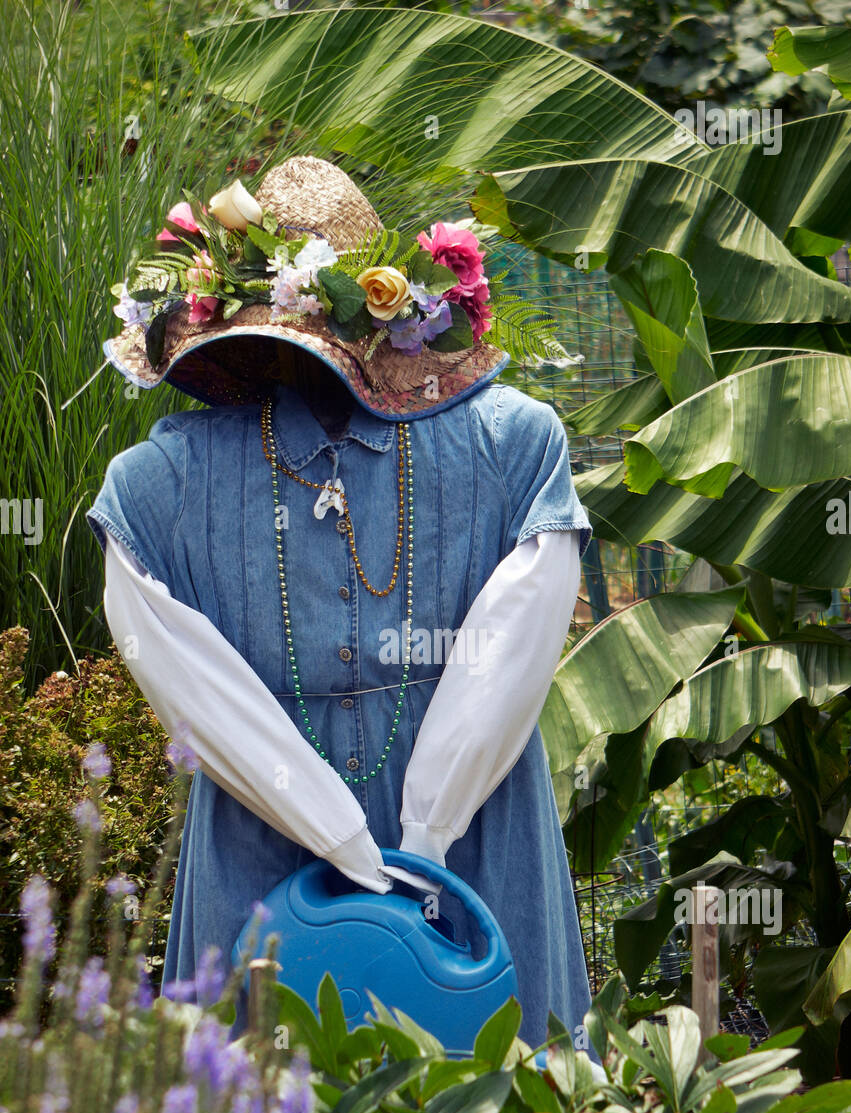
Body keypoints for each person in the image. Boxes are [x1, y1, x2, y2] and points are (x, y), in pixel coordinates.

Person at [86, 154, 596, 1053]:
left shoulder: (513, 447)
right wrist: (357, 846)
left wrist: (427, 837)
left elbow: (508, 657)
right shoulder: (158, 488)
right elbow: (190, 686)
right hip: (263, 836)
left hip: (476, 836)